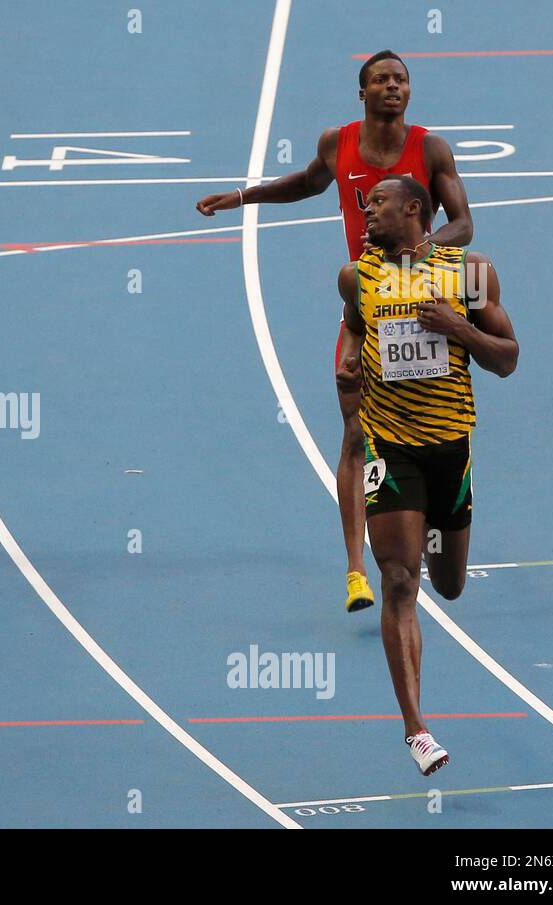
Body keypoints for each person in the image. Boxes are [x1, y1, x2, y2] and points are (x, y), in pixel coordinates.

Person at [197, 50, 473, 613]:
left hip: (424, 303)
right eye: (381, 80)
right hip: (366, 304)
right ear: (362, 92)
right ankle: (356, 570)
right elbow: (306, 183)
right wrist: (245, 196)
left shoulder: (431, 148)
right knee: (354, 430)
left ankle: (437, 519)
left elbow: (464, 223)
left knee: (438, 421)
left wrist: (418, 256)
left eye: (400, 80)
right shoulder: (337, 142)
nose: (392, 87)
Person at [335, 175, 518, 774]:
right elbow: (357, 333)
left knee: (450, 584)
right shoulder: (356, 277)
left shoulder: (469, 272)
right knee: (398, 581)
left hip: (450, 451)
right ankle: (416, 728)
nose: (367, 213)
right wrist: (350, 368)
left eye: (377, 204)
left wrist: (458, 328)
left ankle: (438, 533)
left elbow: (508, 359)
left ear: (413, 209)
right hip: (392, 452)